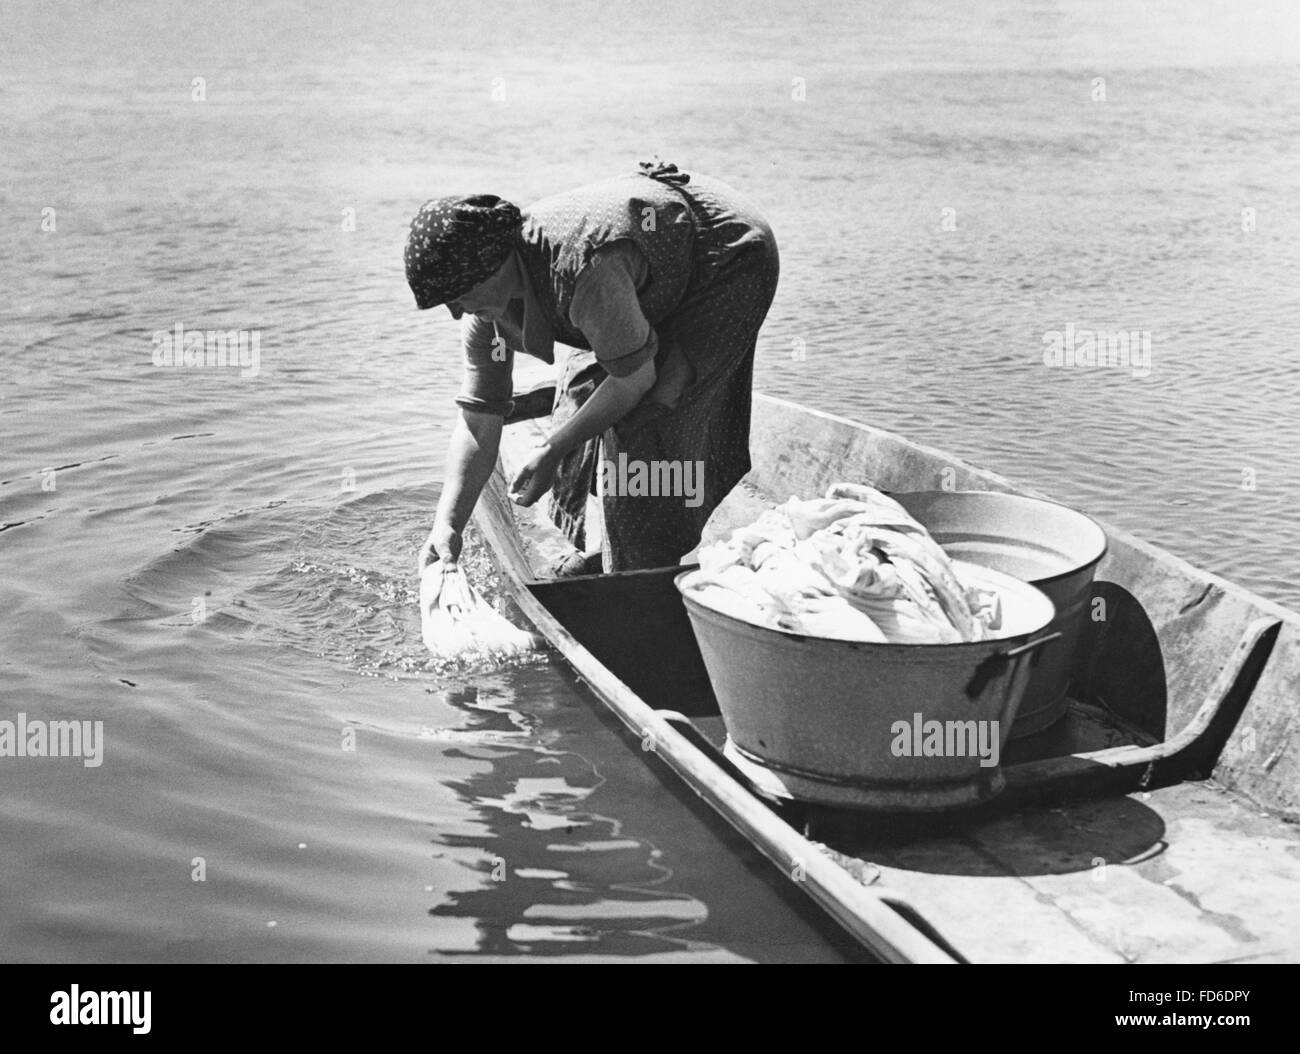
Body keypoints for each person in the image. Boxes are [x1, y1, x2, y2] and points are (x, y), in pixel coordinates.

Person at [407, 159, 779, 576]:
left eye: (457, 296)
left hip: (725, 257)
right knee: (579, 390)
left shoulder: (582, 270)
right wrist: (448, 524)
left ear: (493, 264)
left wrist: (552, 449)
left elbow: (634, 379)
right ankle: (605, 549)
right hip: (646, 268)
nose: (456, 313)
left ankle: (641, 572)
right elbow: (479, 418)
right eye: (445, 303)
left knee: (650, 426)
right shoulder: (484, 309)